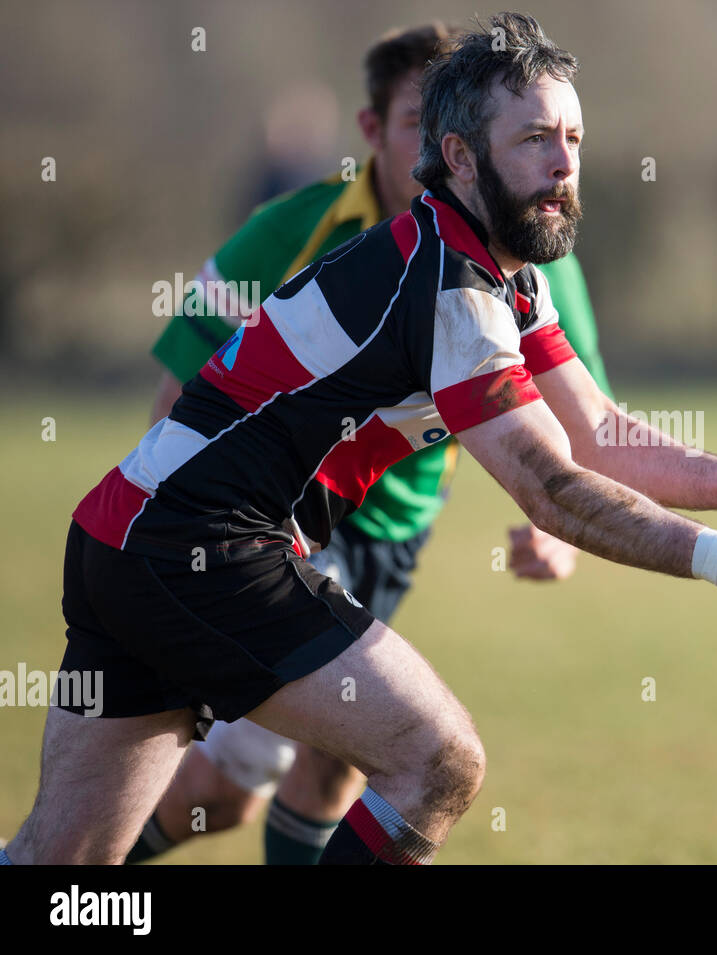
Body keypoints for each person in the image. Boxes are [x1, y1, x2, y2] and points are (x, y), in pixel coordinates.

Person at [2, 12, 717, 866]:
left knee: (59, 871)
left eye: (574, 137)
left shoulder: (502, 273)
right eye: (535, 139)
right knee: (437, 759)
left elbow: (595, 431)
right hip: (203, 545)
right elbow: (550, 488)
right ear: (462, 157)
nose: (564, 162)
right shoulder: (449, 285)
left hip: (126, 537)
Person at [127, 23, 614, 866]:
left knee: (306, 775)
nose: (437, 148)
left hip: (394, 530)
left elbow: (583, 427)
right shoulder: (298, 225)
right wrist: (158, 525)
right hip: (264, 516)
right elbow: (183, 376)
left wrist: (554, 526)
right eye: (416, 124)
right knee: (254, 781)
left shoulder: (529, 244)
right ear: (372, 131)